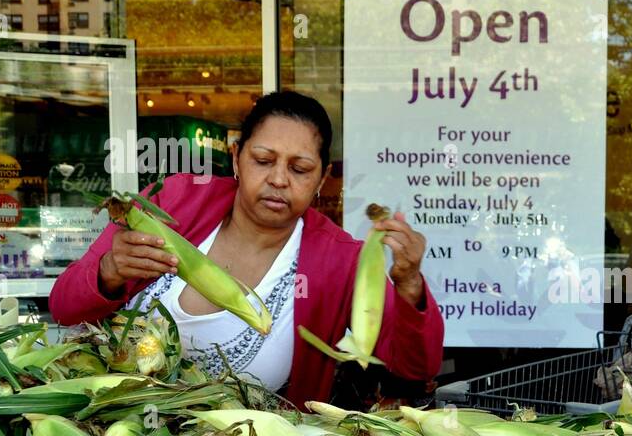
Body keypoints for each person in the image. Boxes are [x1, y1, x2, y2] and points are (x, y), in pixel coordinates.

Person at [50, 91, 444, 409]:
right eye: (263, 160)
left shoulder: (340, 261)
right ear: (237, 157)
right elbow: (64, 307)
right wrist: (108, 271)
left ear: (323, 178)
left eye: (300, 169)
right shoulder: (172, 203)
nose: (278, 179)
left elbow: (410, 371)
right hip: (114, 427)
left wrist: (409, 285)